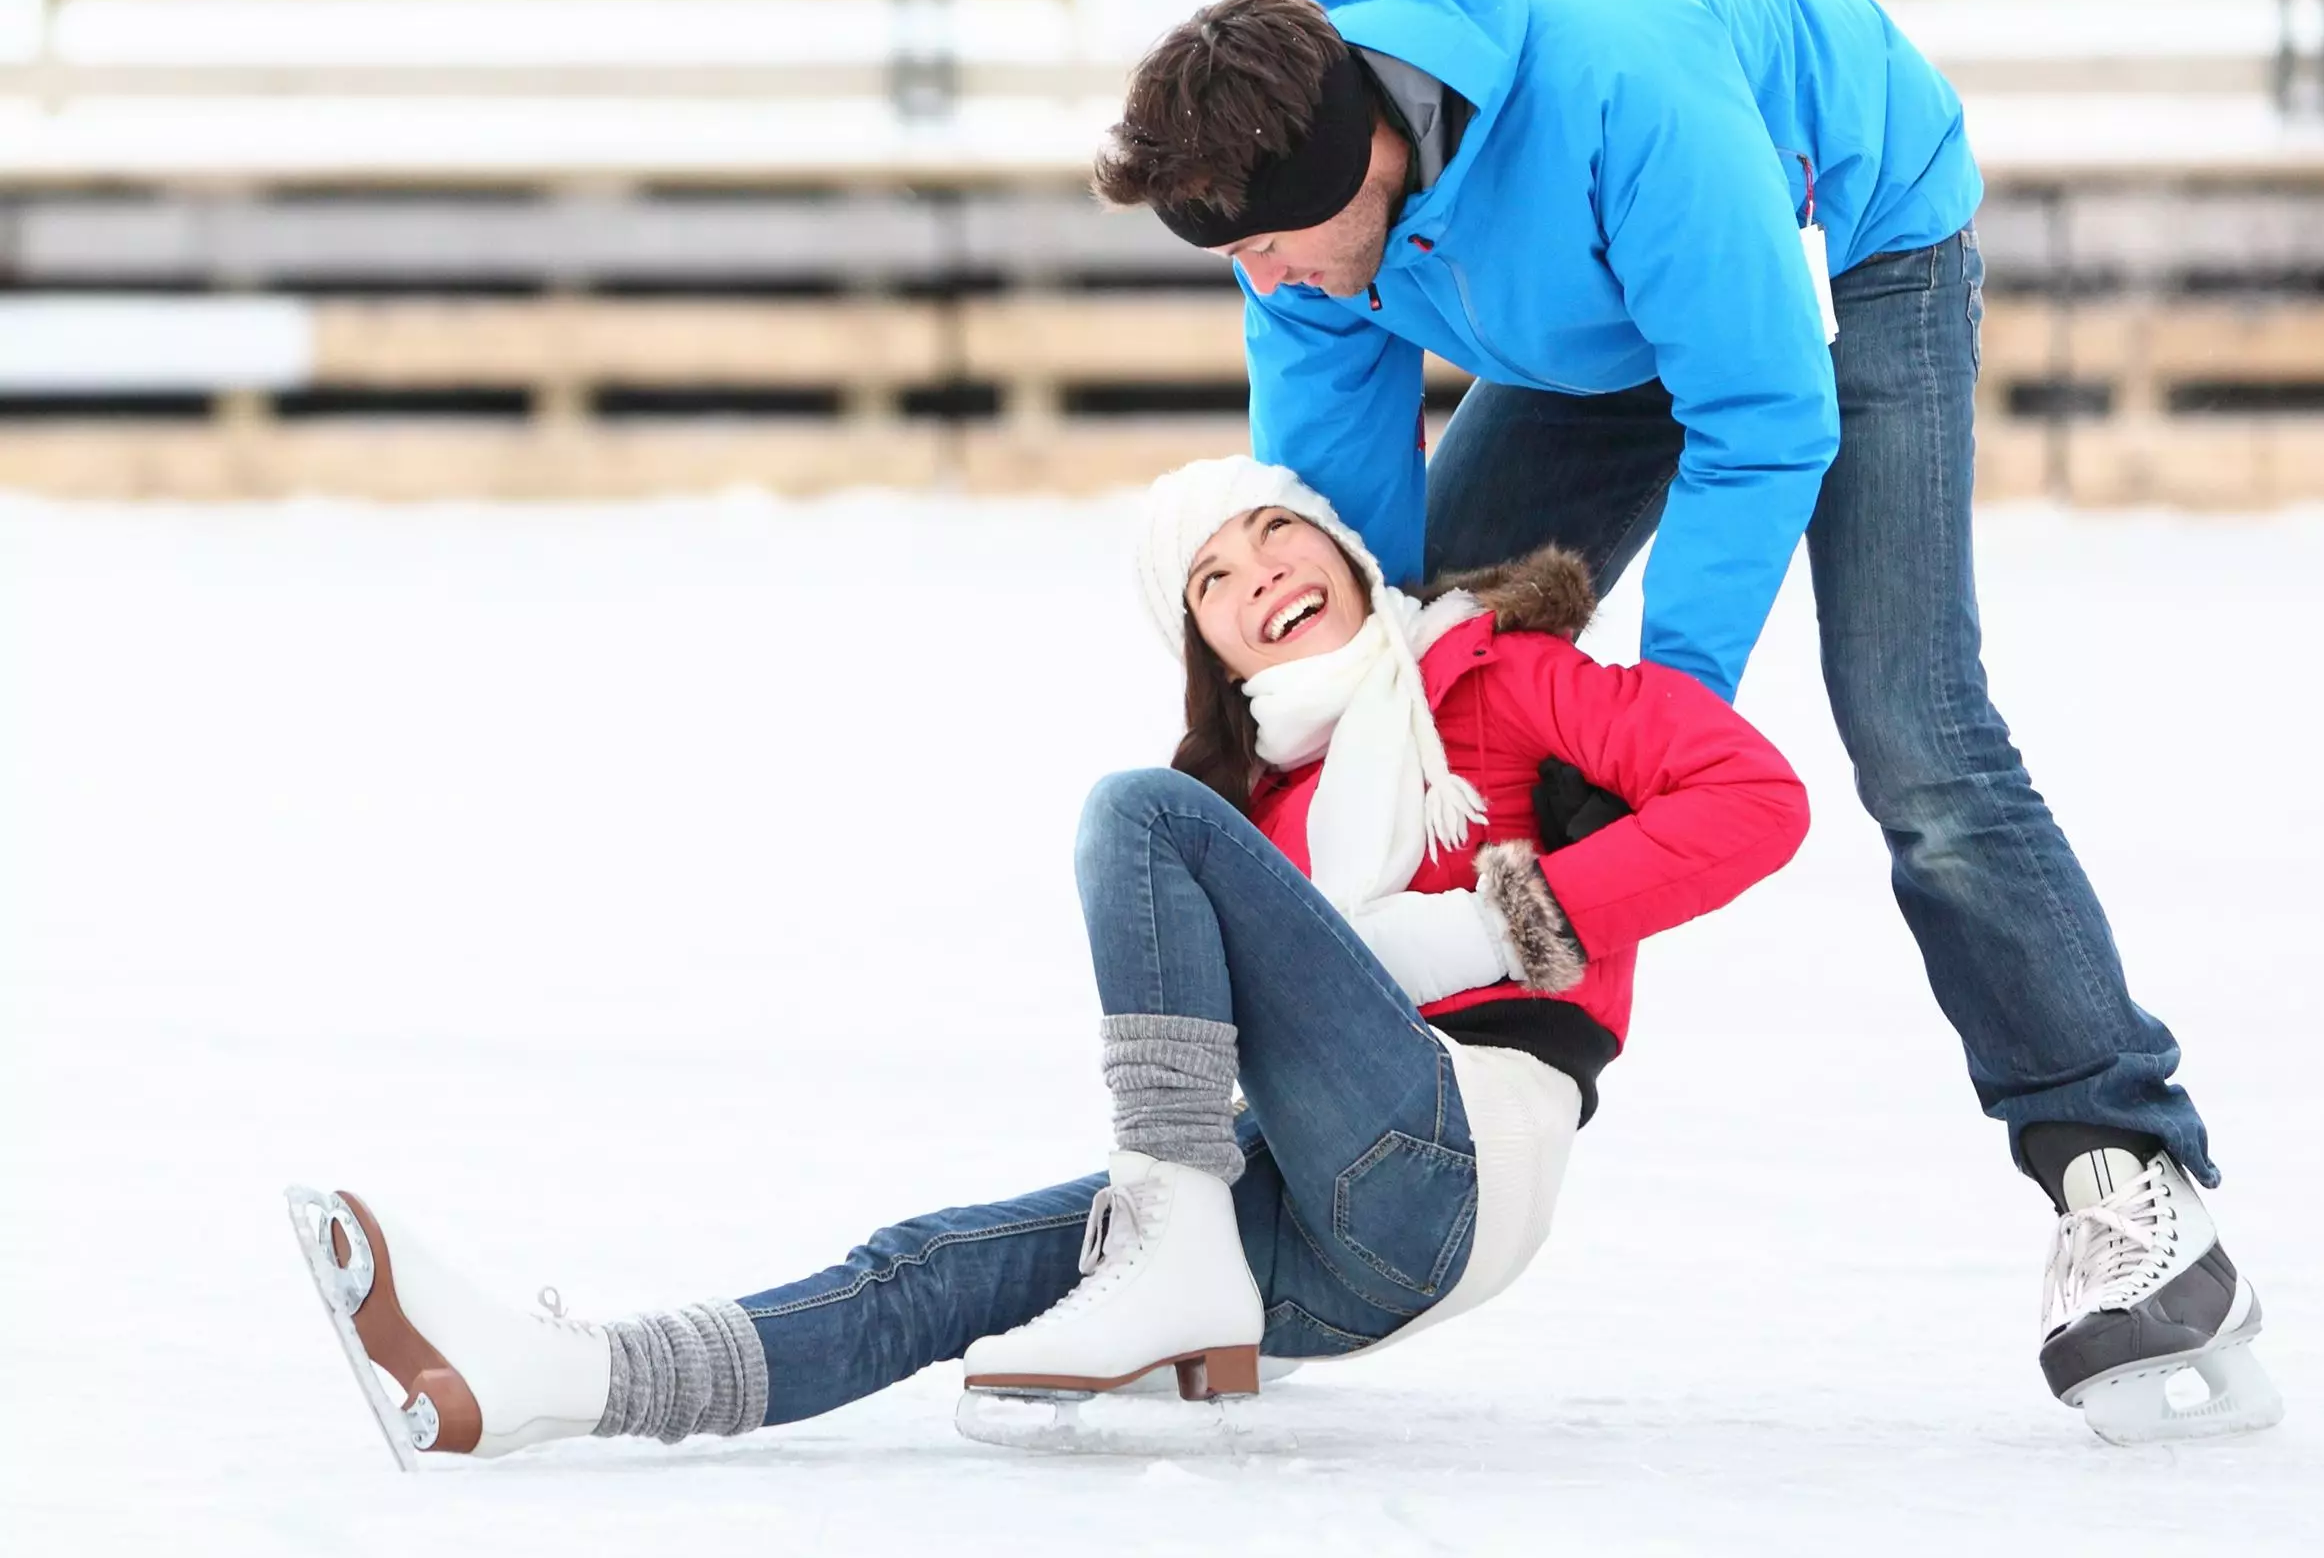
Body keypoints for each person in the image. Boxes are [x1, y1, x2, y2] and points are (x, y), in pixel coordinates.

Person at [1091, 0, 2281, 1441]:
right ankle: (1386, 1088)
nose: (1263, 280)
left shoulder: (1625, 100)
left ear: (1366, 157)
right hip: (1608, 310)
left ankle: (2126, 1174)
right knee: (1425, 667)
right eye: (1237, 255)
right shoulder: (1286, 183)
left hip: (1852, 247)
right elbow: (1354, 580)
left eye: (1270, 246)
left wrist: (1670, 715)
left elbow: (1763, 414)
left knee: (1917, 735)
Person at [286, 455, 1808, 1466]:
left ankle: (1173, 1238)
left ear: (1340, 547)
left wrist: (1491, 926)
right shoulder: (1255, 818)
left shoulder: (1504, 676)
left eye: (1275, 526)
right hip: (1345, 1251)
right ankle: (569, 1381)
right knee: (937, 1263)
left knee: (1135, 815)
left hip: (1467, 1147)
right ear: (1213, 652)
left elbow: (1758, 800)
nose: (1259, 568)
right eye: (1211, 577)